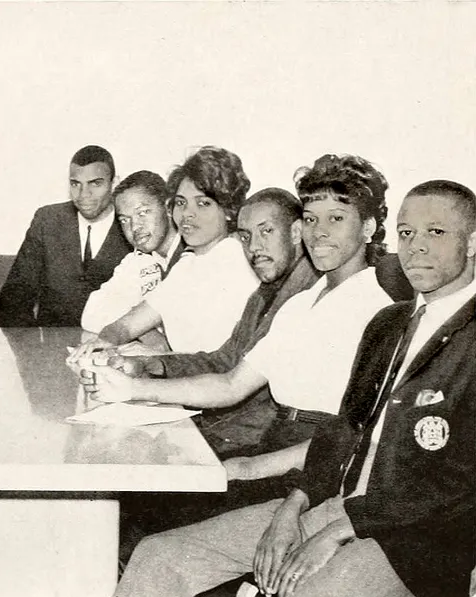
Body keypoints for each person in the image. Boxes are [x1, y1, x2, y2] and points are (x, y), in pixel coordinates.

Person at [115, 179, 476, 597]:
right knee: (161, 555)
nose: (416, 247)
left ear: (471, 243)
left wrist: (339, 531)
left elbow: (457, 487)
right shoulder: (389, 324)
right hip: (334, 504)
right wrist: (293, 507)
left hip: (413, 539)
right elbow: (345, 432)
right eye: (407, 233)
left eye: (436, 232)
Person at [85, 155, 394, 479]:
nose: (318, 233)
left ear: (369, 227)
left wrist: (245, 468)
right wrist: (133, 383)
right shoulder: (302, 303)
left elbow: (361, 437)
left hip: (309, 470)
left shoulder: (379, 312)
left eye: (336, 219)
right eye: (312, 220)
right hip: (274, 451)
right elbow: (230, 381)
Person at [116, 187, 321, 455]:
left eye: (266, 231)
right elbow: (224, 359)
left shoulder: (308, 297)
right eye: (246, 237)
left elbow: (239, 391)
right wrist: (152, 365)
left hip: (262, 447)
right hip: (229, 432)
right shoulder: (263, 293)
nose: (254, 247)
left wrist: (135, 388)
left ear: (296, 233)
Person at [69, 146, 258, 358]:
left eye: (203, 203)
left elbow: (228, 363)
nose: (188, 214)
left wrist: (160, 358)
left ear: (229, 209)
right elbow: (126, 326)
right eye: (181, 203)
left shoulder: (237, 257)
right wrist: (103, 343)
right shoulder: (189, 264)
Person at [0, 145, 133, 327]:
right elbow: (15, 295)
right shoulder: (48, 220)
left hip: (114, 345)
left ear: (114, 183)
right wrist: (31, 348)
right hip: (52, 348)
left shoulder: (131, 223)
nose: (84, 195)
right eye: (76, 184)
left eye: (95, 183)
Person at [81, 170, 183, 333]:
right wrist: (145, 332)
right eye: (124, 220)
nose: (135, 227)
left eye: (142, 213)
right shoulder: (139, 261)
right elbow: (91, 316)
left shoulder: (195, 254)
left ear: (168, 207)